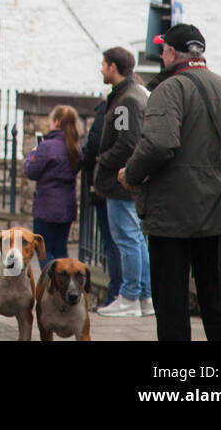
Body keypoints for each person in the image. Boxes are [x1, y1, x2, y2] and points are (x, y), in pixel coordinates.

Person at [119, 23, 221, 342]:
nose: (161, 55)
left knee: (171, 305)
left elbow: (159, 144)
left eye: (163, 50)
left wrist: (130, 174)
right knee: (218, 302)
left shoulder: (170, 89)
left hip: (172, 214)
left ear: (172, 53)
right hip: (215, 212)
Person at [92, 46, 153, 318]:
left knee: (127, 239)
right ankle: (144, 296)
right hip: (128, 180)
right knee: (137, 239)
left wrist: (102, 160)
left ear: (113, 67)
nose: (102, 69)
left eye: (104, 65)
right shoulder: (136, 92)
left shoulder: (126, 99)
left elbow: (126, 143)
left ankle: (129, 297)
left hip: (119, 182)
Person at [24, 105, 81, 267]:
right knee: (61, 250)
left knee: (44, 250)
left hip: (46, 207)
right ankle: (66, 285)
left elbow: (31, 171)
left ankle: (53, 284)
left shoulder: (46, 147)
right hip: (67, 207)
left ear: (56, 122)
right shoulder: (75, 148)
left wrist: (33, 155)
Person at [80, 98, 122, 308]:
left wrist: (93, 165)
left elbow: (94, 144)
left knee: (114, 242)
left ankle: (117, 293)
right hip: (126, 185)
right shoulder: (138, 101)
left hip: (107, 186)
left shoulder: (111, 107)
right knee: (130, 241)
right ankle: (133, 292)